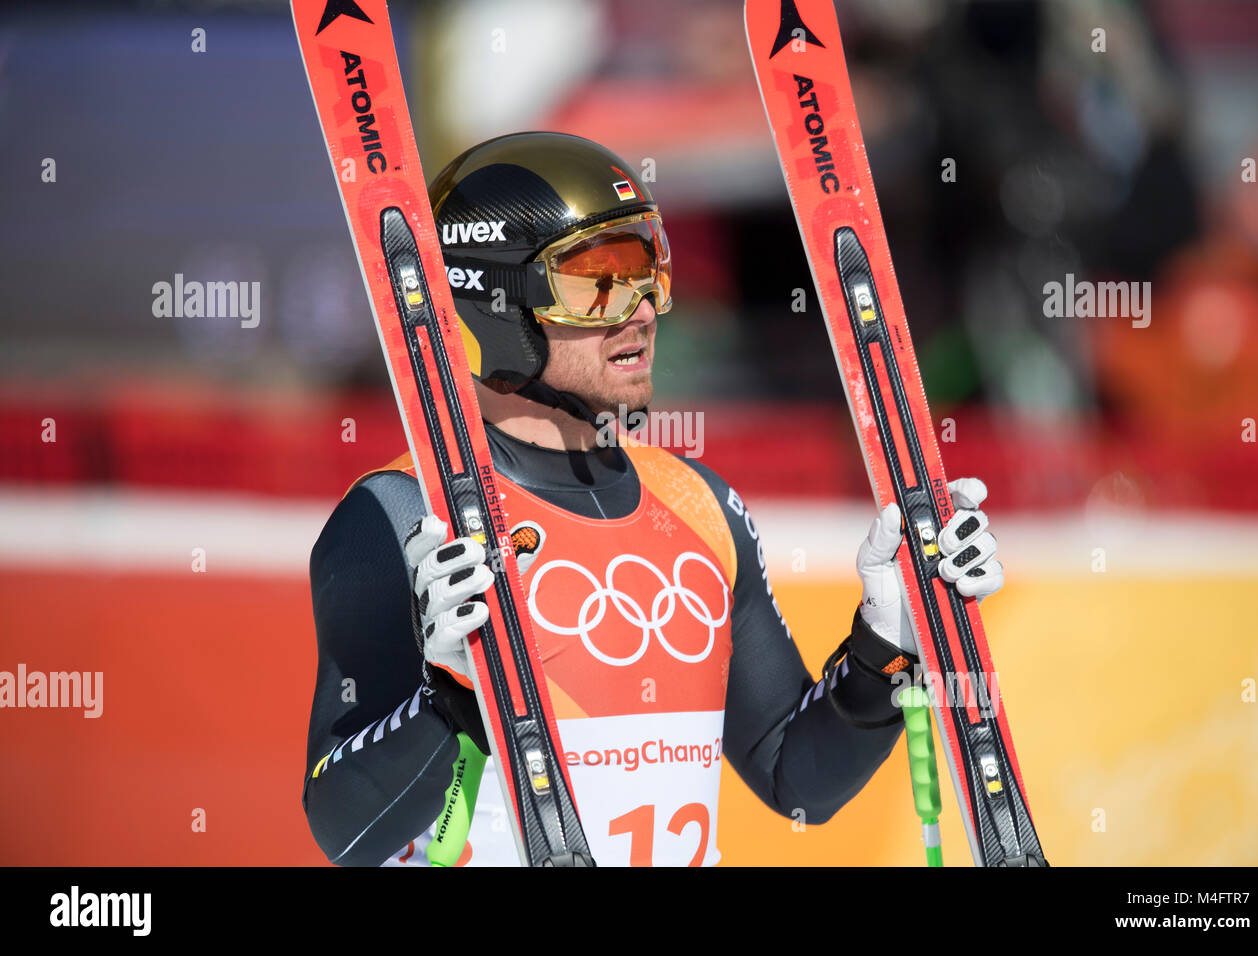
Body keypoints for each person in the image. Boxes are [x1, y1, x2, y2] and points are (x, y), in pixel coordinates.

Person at [302, 131, 1003, 866]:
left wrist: (886, 644)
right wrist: (447, 702)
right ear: (496, 303)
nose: (639, 310)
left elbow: (795, 778)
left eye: (647, 271)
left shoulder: (701, 504)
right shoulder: (403, 514)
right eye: (597, 281)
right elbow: (345, 833)